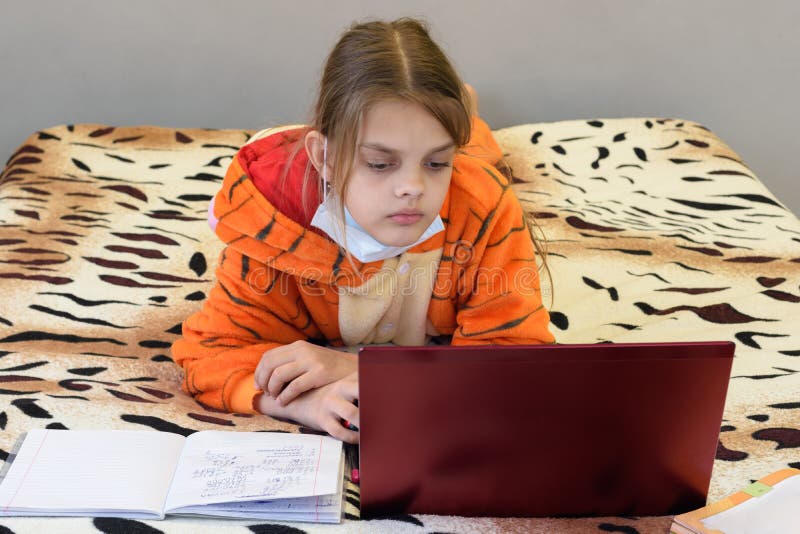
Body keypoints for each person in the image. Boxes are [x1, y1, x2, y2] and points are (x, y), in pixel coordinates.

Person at [172, 18, 554, 444]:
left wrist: (360, 370)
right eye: (379, 163)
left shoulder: (483, 204)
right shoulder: (271, 228)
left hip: (470, 170)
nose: (412, 187)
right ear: (326, 158)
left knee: (479, 159)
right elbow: (210, 355)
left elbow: (517, 363)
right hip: (308, 178)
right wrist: (302, 403)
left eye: (436, 162)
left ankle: (468, 117)